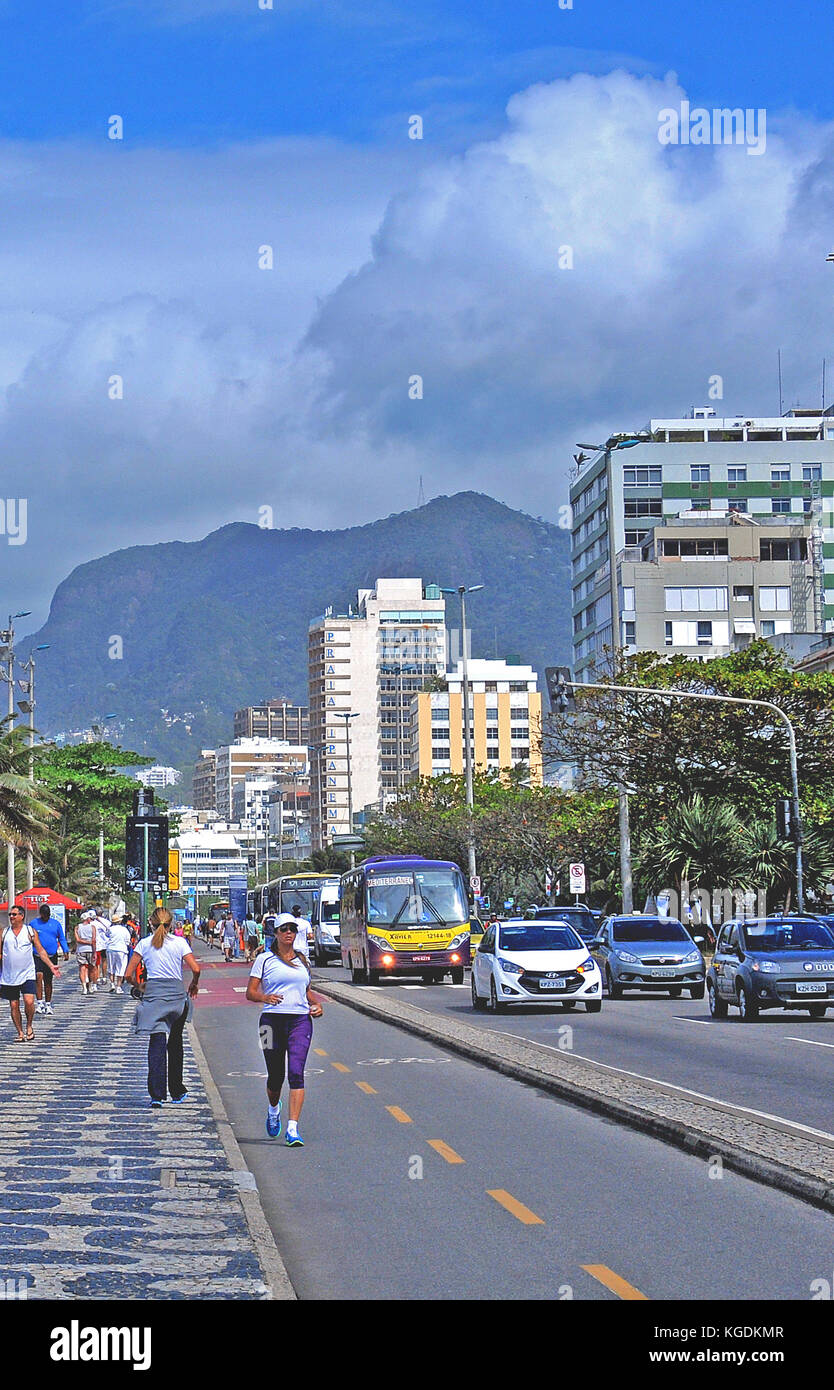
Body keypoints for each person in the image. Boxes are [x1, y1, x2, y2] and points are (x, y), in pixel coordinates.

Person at [246, 917, 323, 1146]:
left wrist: (317, 1004)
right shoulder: (264, 959)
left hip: (300, 1021)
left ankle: (292, 1129)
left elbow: (306, 991)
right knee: (275, 1075)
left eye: (293, 929)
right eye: (284, 929)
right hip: (270, 1022)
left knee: (296, 1073)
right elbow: (250, 992)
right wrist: (265, 997)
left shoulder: (302, 960)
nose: (289, 932)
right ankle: (273, 1109)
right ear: (276, 933)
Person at [124, 907, 200, 1107]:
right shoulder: (180, 943)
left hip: (154, 997)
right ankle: (177, 1090)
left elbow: (127, 974)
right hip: (176, 997)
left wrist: (138, 986)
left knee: (156, 1044)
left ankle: (157, 1095)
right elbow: (196, 968)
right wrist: (194, 984)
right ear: (171, 923)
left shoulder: (144, 944)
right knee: (175, 1043)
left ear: (151, 923)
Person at [1, 905, 61, 1041]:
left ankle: (29, 1026)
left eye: (14, 914)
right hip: (9, 975)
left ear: (22, 916)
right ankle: (20, 1032)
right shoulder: (4, 933)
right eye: (10, 914)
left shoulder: (30, 931)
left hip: (27, 973)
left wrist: (51, 965)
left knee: (29, 1001)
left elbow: (40, 950)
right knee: (14, 1005)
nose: (11, 917)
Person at [33, 904, 69, 1015]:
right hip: (37, 956)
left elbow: (61, 938)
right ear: (41, 914)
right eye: (44, 915)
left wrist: (65, 950)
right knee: (38, 977)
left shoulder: (55, 924)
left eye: (47, 915)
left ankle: (48, 1004)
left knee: (48, 980)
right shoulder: (34, 924)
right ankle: (39, 1003)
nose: (46, 917)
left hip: (51, 956)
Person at [106, 916, 132, 994]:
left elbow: (107, 936)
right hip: (121, 949)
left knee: (111, 967)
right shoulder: (124, 930)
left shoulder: (110, 929)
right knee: (120, 968)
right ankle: (118, 986)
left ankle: (112, 984)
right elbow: (128, 941)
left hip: (111, 948)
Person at [75, 910, 98, 994]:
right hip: (90, 950)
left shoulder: (77, 927)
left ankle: (84, 987)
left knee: (82, 968)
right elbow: (94, 940)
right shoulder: (92, 927)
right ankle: (90, 986)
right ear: (87, 919)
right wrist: (94, 951)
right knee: (91, 968)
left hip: (80, 949)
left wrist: (84, 941)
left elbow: (78, 940)